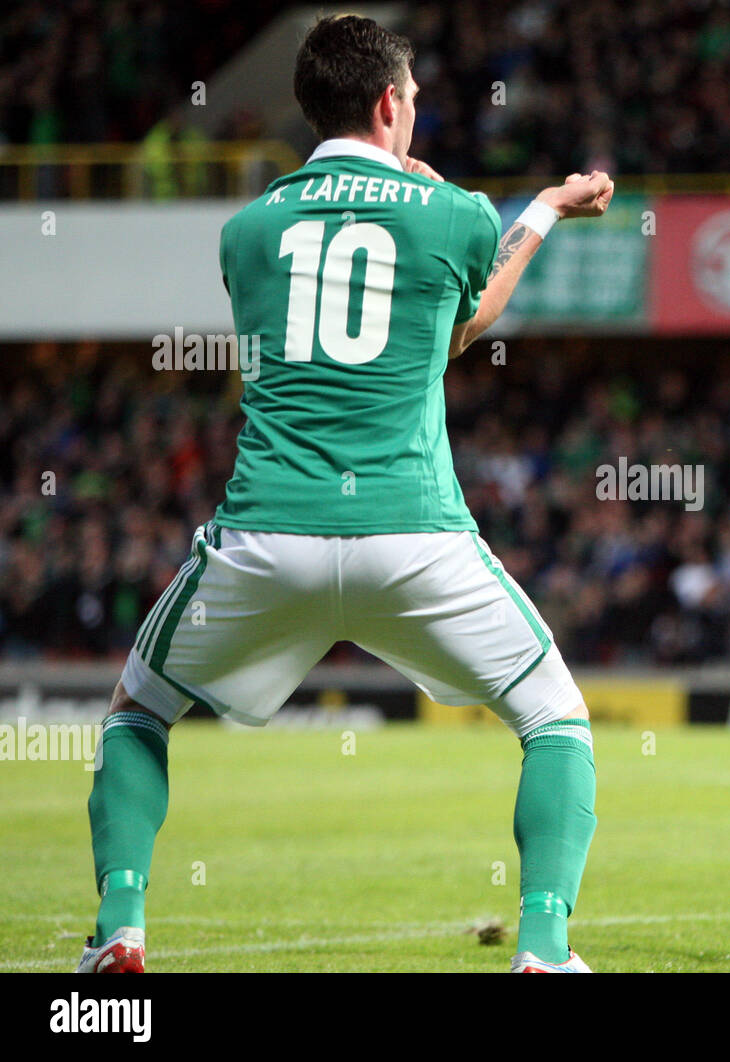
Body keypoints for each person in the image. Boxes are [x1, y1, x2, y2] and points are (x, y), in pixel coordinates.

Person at [78, 14, 613, 974]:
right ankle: (542, 950)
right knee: (555, 719)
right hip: (415, 537)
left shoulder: (246, 233)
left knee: (136, 710)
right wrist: (537, 212)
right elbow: (455, 330)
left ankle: (120, 930)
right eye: (411, 101)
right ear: (386, 104)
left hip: (266, 534)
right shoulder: (456, 214)